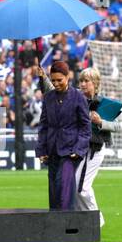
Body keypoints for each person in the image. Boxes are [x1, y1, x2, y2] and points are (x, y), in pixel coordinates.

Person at [35, 61, 90, 210]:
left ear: (68, 77)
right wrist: (42, 150)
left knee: (64, 191)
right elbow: (44, 126)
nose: (56, 83)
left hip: (69, 152)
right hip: (52, 151)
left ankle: (66, 227)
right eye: (53, 80)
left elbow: (86, 127)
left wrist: (78, 150)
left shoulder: (78, 97)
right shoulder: (48, 97)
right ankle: (55, 226)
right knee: (53, 191)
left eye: (59, 80)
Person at [77, 69, 117, 225]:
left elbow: (117, 126)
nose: (83, 84)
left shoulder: (104, 103)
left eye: (86, 81)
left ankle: (96, 218)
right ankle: (88, 220)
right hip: (79, 149)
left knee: (83, 188)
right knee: (75, 188)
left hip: (95, 148)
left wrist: (100, 122)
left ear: (95, 83)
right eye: (81, 81)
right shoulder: (76, 100)